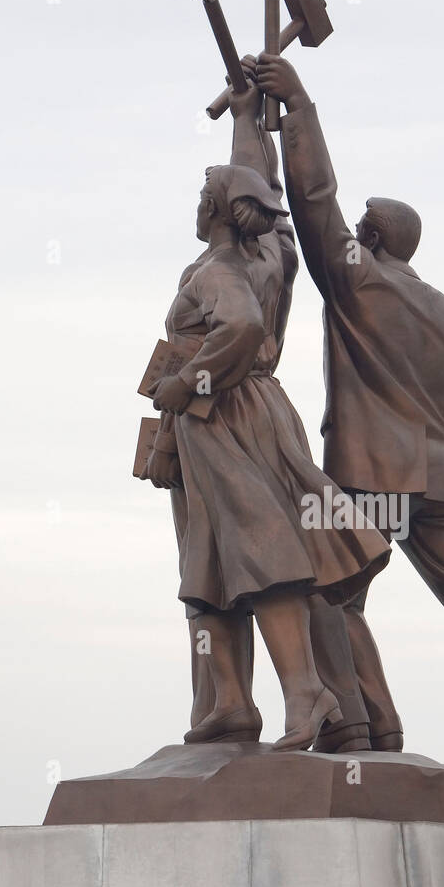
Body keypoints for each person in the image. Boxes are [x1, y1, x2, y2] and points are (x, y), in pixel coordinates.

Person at [254, 53, 444, 778]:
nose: (351, 233)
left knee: (318, 583)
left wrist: (297, 106)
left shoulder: (357, 281)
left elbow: (312, 196)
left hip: (370, 478)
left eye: (360, 226)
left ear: (375, 240)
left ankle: (358, 730)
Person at [141, 74, 390, 750]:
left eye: (205, 195)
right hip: (230, 415)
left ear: (223, 209)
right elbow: (256, 179)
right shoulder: (269, 256)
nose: (197, 203)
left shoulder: (221, 271)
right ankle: (228, 703)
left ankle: (304, 692)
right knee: (210, 563)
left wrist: (187, 381)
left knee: (257, 548)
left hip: (221, 413)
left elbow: (243, 327)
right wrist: (249, 118)